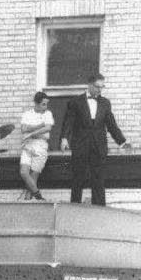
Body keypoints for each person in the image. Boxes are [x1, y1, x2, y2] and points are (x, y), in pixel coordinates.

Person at [60, 73, 130, 205]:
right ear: (89, 85)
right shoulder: (75, 102)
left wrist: (122, 141)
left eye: (102, 87)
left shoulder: (105, 103)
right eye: (97, 86)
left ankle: (100, 209)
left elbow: (111, 125)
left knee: (98, 180)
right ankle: (74, 209)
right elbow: (68, 122)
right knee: (78, 179)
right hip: (80, 145)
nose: (100, 90)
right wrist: (64, 138)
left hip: (99, 146)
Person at [20, 91, 55, 201]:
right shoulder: (27, 114)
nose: (45, 107)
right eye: (43, 104)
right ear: (36, 103)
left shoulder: (48, 114)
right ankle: (39, 197)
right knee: (23, 172)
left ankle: (28, 200)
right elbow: (23, 129)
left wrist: (31, 133)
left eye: (46, 104)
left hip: (40, 146)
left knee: (33, 176)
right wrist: (40, 126)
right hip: (27, 145)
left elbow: (48, 128)